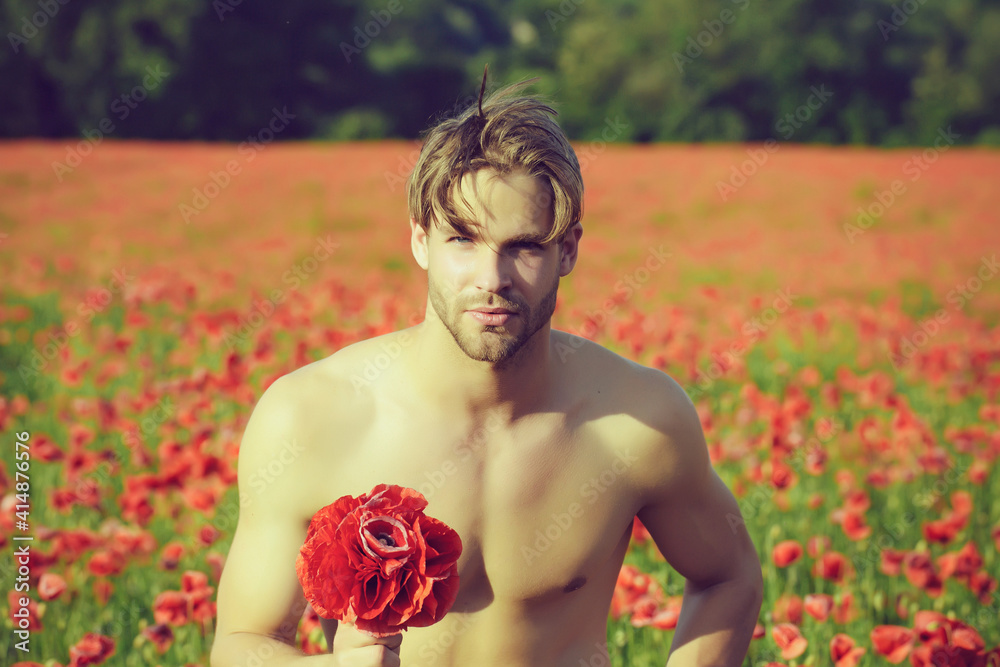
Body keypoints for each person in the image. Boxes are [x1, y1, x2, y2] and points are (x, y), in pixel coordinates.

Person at [210, 71, 763, 667]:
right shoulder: (309, 418)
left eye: (524, 246)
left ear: (568, 250)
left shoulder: (639, 419)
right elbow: (243, 643)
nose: (492, 278)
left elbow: (728, 577)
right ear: (420, 241)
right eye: (462, 240)